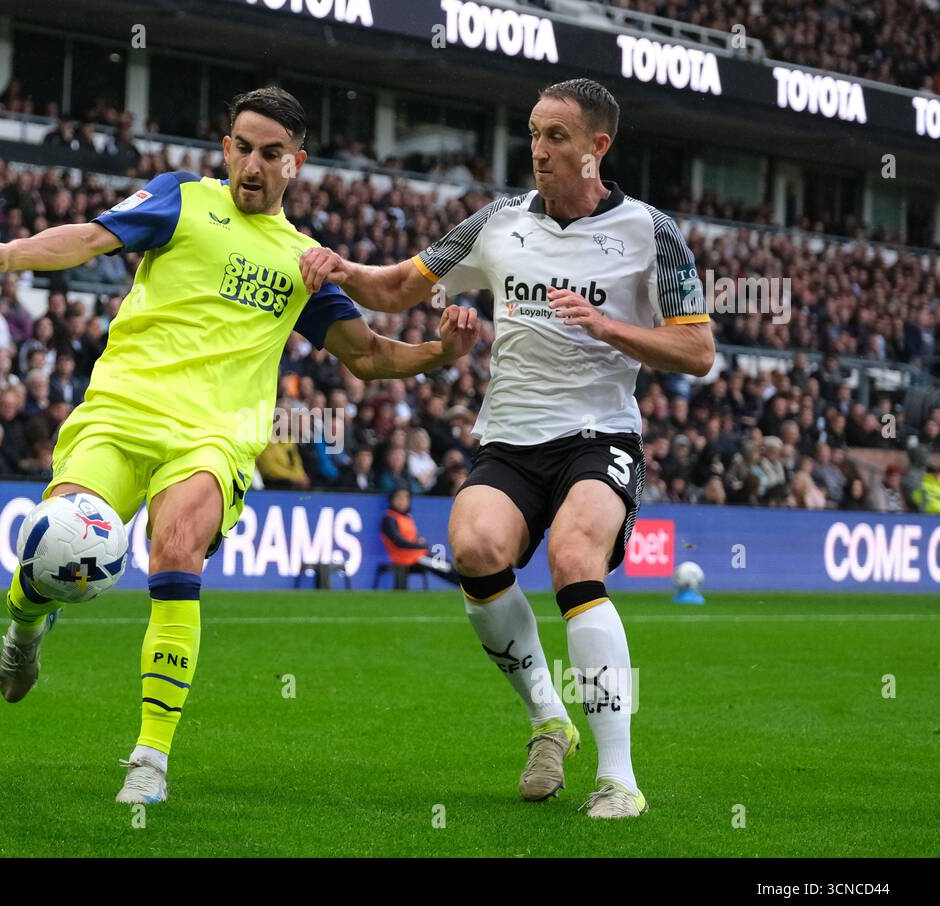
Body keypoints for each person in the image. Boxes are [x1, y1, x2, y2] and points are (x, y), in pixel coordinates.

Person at [0, 86, 478, 806]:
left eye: (270, 153)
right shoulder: (180, 198)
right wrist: (9, 255)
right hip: (117, 414)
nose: (251, 163)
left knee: (174, 550)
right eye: (240, 145)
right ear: (225, 146)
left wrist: (440, 355)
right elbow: (92, 235)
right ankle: (23, 625)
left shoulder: (305, 260)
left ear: (296, 163)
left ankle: (150, 755)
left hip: (211, 439)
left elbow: (368, 356)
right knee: (49, 553)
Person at [301, 78, 715, 819]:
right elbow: (399, 287)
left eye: (557, 136)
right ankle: (548, 718)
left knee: (575, 557)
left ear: (598, 146)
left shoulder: (652, 232)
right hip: (511, 437)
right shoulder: (496, 222)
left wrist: (610, 327)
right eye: (533, 133)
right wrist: (342, 270)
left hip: (600, 434)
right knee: (475, 546)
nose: (539, 150)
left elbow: (699, 348)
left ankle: (619, 778)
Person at [379, 488, 459, 589]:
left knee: (447, 565)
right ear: (392, 500)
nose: (402, 502)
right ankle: (466, 587)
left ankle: (465, 587)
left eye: (405, 498)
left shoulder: (407, 517)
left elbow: (410, 537)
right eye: (399, 498)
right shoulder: (389, 518)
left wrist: (418, 539)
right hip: (406, 557)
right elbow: (398, 541)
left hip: (416, 555)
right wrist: (419, 545)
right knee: (445, 567)